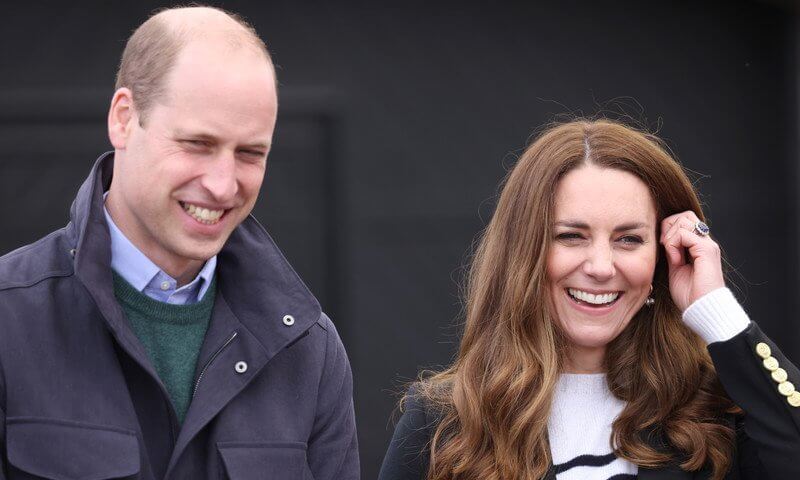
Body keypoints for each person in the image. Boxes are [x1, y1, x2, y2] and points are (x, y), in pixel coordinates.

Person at [0, 6, 358, 479]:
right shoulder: (9, 320)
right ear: (124, 119)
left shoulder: (309, 351)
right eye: (197, 144)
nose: (223, 184)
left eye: (250, 153)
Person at [378, 119, 800, 480]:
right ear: (523, 252)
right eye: (571, 236)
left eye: (629, 239)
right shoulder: (443, 424)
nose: (600, 266)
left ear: (661, 258)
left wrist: (716, 311)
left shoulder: (717, 416)